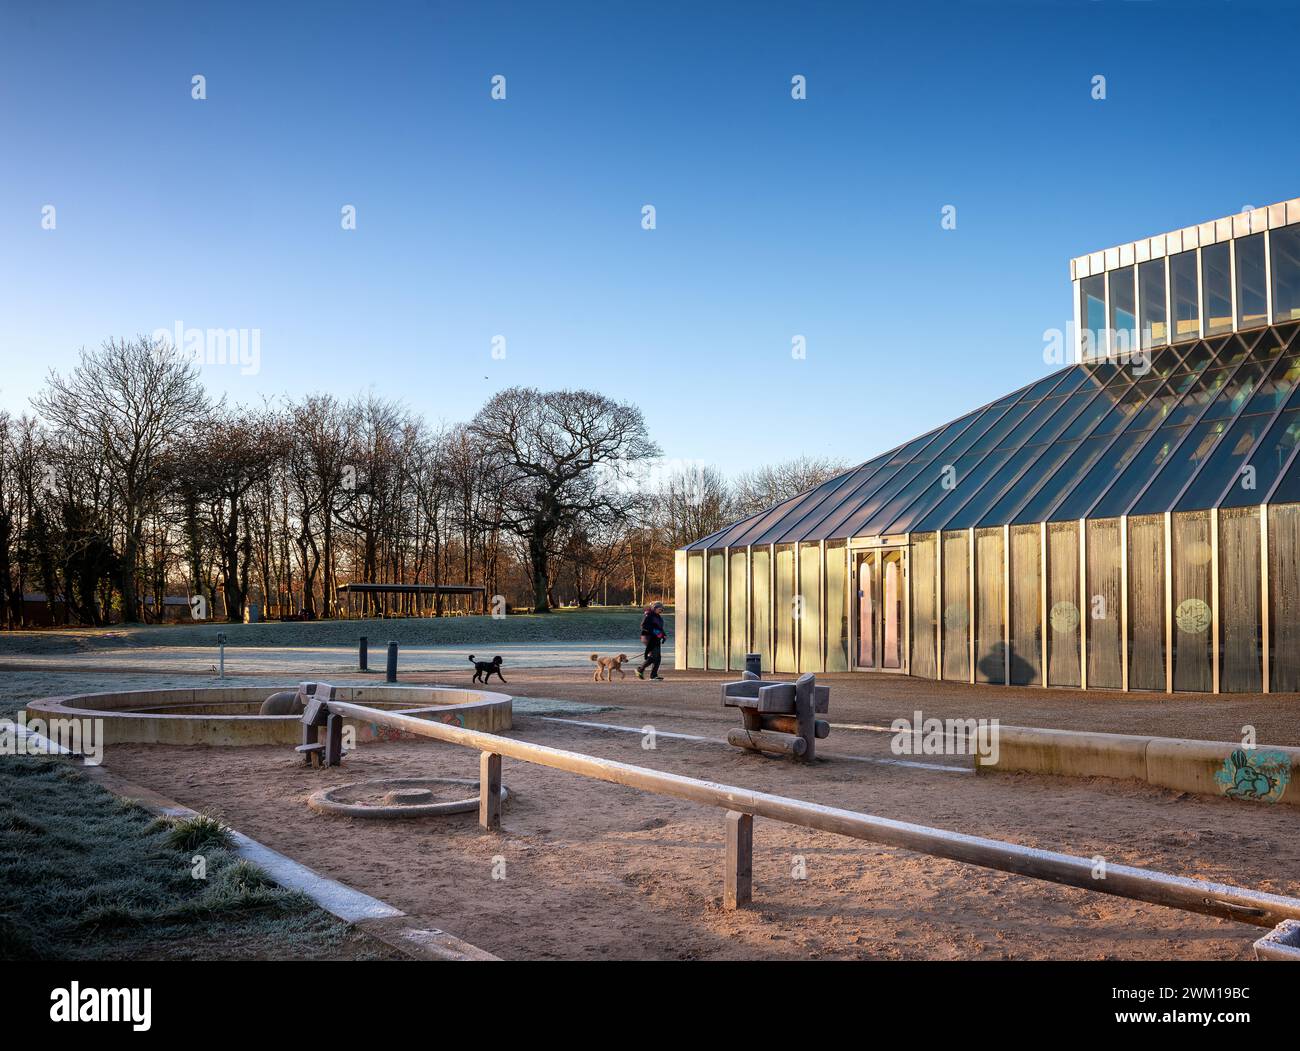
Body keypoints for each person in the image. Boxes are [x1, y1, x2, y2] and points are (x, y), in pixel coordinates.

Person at [636, 601, 667, 680]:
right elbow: (644, 626)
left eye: (662, 609)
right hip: (647, 637)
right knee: (655, 656)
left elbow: (659, 628)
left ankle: (652, 674)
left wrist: (663, 635)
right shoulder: (649, 616)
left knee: (657, 657)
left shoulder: (658, 617)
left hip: (655, 638)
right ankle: (643, 670)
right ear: (654, 608)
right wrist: (657, 633)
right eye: (660, 609)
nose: (661, 611)